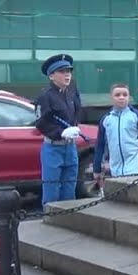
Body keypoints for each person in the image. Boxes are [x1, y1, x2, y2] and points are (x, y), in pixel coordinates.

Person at [33, 53, 83, 206]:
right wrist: (59, 132)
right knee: (52, 191)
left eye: (69, 71)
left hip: (70, 147)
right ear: (51, 76)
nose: (67, 75)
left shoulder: (72, 93)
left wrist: (75, 126)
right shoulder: (45, 96)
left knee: (69, 189)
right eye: (62, 72)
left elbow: (77, 112)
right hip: (53, 148)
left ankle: (67, 220)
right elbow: (41, 123)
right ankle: (52, 221)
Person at [93, 82, 138, 185]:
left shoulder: (137, 117)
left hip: (134, 168)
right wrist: (97, 168)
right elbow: (100, 145)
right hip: (114, 169)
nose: (121, 98)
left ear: (129, 97)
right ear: (111, 98)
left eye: (125, 95)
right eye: (117, 95)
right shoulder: (106, 119)